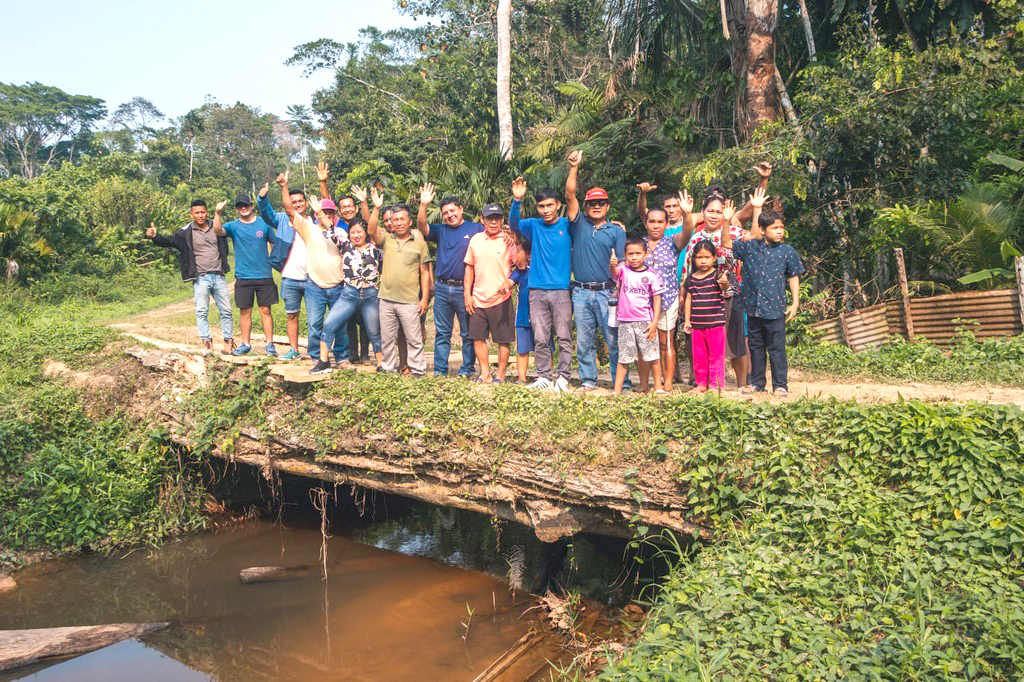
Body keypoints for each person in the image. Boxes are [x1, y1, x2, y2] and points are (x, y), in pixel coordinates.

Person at [722, 208, 804, 395]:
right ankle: (758, 384)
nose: (780, 231)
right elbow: (726, 243)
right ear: (762, 229)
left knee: (776, 348)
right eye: (775, 228)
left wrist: (795, 303)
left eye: (781, 227)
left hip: (775, 308)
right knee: (756, 347)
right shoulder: (750, 247)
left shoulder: (787, 251)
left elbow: (793, 276)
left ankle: (780, 385)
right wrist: (726, 220)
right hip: (752, 307)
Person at [565, 150, 628, 391]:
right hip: (581, 292)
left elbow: (623, 266)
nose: (597, 206)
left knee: (614, 340)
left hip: (608, 292)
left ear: (608, 205)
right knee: (584, 341)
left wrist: (618, 283)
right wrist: (574, 167)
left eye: (601, 203)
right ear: (587, 206)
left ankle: (621, 382)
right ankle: (588, 380)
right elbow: (570, 194)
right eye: (592, 203)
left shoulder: (616, 231)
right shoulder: (578, 223)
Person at [276, 171, 349, 374]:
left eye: (330, 213)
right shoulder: (307, 227)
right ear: (316, 214)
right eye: (322, 213)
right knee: (315, 323)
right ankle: (318, 357)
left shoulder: (341, 232)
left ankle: (342, 357)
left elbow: (335, 234)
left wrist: (323, 186)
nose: (326, 216)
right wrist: (284, 186)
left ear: (334, 215)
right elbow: (290, 210)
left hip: (338, 285)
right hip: (314, 285)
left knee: (339, 324)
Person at [509, 177, 573, 393]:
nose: (545, 210)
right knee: (540, 337)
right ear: (537, 207)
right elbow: (514, 224)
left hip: (561, 291)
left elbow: (575, 204)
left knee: (564, 336)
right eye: (541, 206)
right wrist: (517, 200)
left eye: (549, 205)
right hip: (536, 291)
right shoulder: (533, 225)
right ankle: (544, 376)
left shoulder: (567, 225)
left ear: (558, 205)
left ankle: (564, 377)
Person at [146, 200, 233, 353]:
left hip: (219, 275)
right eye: (197, 213)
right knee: (201, 311)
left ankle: (229, 342)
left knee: (226, 310)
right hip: (200, 277)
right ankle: (206, 342)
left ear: (207, 212)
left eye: (203, 212)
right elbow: (170, 241)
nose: (200, 215)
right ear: (191, 214)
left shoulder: (217, 227)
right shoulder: (185, 232)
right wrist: (155, 236)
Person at [417, 184, 483, 378]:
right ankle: (439, 370)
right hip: (442, 288)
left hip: (466, 289)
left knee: (467, 333)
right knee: (442, 333)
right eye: (445, 213)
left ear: (461, 209)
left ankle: (467, 369)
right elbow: (422, 227)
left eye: (452, 210)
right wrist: (423, 204)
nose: (449, 215)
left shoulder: (476, 229)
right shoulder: (441, 230)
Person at [369, 198, 432, 375]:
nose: (398, 223)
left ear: (410, 222)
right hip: (386, 299)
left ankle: (418, 370)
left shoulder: (419, 243)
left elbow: (425, 272)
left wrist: (425, 298)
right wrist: (376, 207)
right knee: (388, 339)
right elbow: (371, 229)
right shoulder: (387, 240)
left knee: (414, 339)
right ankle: (388, 369)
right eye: (395, 220)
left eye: (402, 219)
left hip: (410, 300)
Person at [212, 194, 277, 356]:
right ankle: (246, 344)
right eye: (239, 205)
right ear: (237, 208)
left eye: (245, 205)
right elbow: (217, 230)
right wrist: (218, 213)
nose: (243, 208)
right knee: (245, 311)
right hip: (243, 276)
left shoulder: (264, 223)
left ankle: (270, 344)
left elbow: (274, 244)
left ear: (251, 205)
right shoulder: (233, 226)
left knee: (265, 310)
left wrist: (274, 261)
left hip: (264, 275)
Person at [464, 203, 522, 383]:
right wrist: (467, 295)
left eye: (497, 218)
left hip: (500, 298)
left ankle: (501, 375)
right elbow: (469, 269)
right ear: (483, 220)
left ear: (502, 220)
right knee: (478, 338)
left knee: (503, 340)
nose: (494, 222)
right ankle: (485, 374)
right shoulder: (475, 240)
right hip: (478, 299)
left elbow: (520, 266)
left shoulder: (508, 241)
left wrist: (517, 240)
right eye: (490, 218)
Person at [319, 215, 384, 369]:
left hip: (370, 294)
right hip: (349, 293)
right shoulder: (345, 245)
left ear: (366, 233)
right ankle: (323, 362)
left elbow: (383, 267)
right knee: (329, 324)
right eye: (353, 232)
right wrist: (320, 212)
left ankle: (382, 365)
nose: (356, 235)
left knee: (374, 331)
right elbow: (332, 230)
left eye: (359, 232)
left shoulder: (376, 249)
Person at [259, 181, 308, 361]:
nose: (297, 204)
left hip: (312, 278)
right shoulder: (281, 219)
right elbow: (266, 214)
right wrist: (263, 199)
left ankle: (317, 352)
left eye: (300, 201)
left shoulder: (314, 221)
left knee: (315, 317)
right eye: (293, 202)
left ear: (306, 203)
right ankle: (294, 349)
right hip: (290, 278)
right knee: (292, 314)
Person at [640, 207, 687, 392]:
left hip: (667, 300)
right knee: (646, 344)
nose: (656, 225)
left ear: (666, 224)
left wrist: (688, 214)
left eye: (660, 222)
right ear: (646, 223)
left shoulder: (672, 242)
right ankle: (651, 383)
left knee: (665, 342)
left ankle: (667, 382)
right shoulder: (639, 245)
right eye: (652, 221)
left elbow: (688, 231)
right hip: (643, 304)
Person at [609, 236, 663, 395]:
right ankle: (617, 390)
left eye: (637, 254)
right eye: (630, 254)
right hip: (625, 322)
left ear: (645, 254)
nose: (634, 257)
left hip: (645, 322)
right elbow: (615, 272)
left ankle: (657, 387)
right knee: (624, 357)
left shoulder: (652, 275)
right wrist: (611, 265)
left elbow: (657, 300)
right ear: (625, 255)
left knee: (652, 355)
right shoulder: (623, 270)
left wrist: (654, 322)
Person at [682, 239, 733, 393]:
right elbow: (688, 299)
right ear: (693, 259)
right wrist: (687, 320)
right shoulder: (691, 278)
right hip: (697, 324)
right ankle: (701, 384)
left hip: (716, 322)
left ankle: (716, 385)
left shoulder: (718, 275)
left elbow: (726, 290)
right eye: (699, 257)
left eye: (707, 257)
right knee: (699, 356)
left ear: (714, 258)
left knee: (716, 356)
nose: (703, 261)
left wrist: (724, 283)